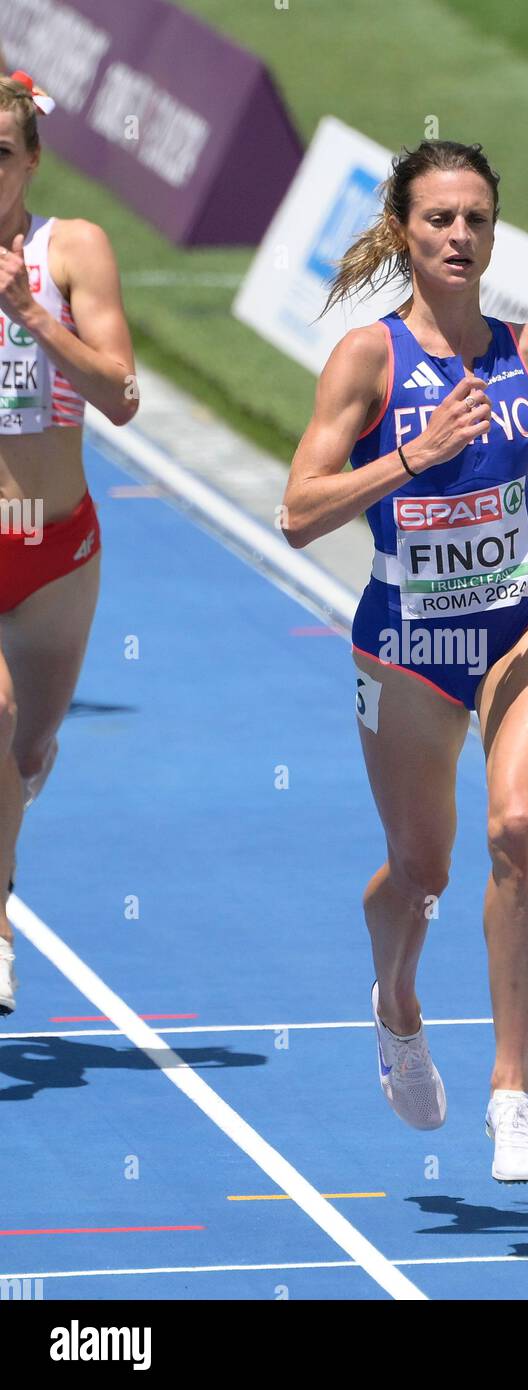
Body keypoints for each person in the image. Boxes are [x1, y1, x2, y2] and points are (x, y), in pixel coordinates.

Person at [281, 139, 528, 1182]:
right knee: (420, 871)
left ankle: (510, 1093)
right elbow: (298, 510)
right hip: (409, 644)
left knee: (515, 827)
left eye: (475, 217)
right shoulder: (367, 361)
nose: (459, 236)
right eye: (438, 219)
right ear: (403, 232)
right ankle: (395, 1002)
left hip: (521, 618)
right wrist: (411, 457)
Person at [0, 71, 139, 1014]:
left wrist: (31, 315)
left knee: (31, 748)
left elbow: (122, 396)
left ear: (31, 160)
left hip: (59, 544)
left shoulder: (72, 249)